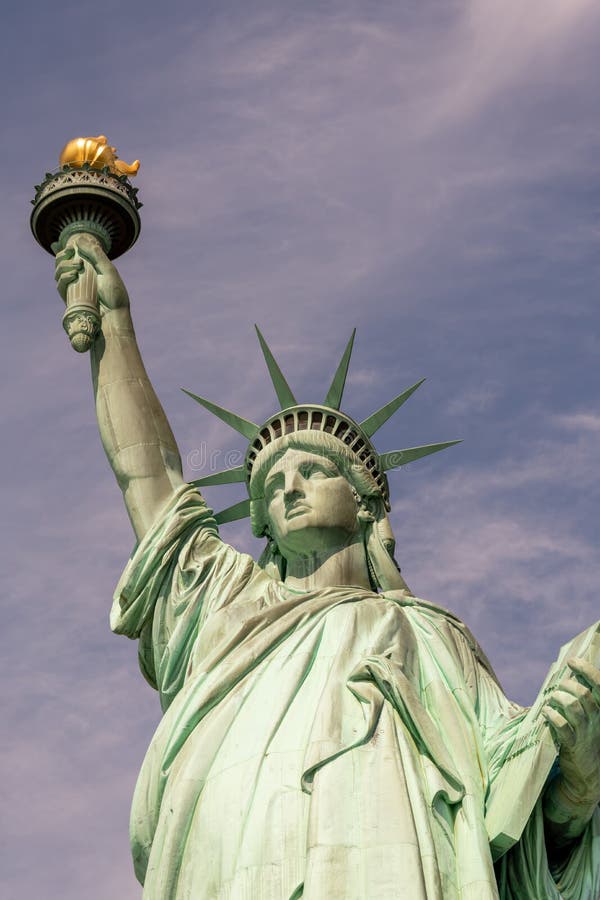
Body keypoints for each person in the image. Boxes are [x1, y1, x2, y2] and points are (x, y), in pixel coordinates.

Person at [55, 235, 600, 900]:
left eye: (313, 470)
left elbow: (515, 802)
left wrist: (575, 759)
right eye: (272, 485)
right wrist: (115, 323)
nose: (289, 487)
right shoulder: (227, 607)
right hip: (232, 860)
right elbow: (150, 475)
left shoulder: (432, 637)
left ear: (366, 502)